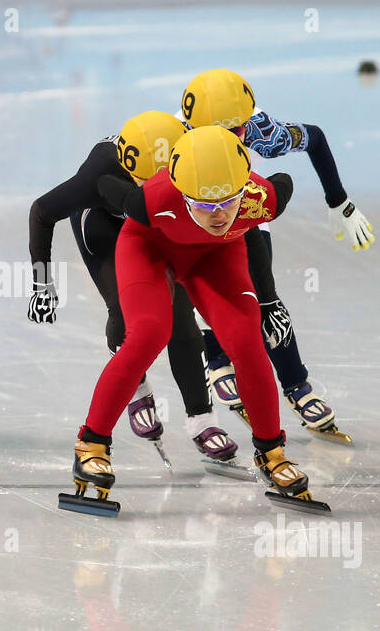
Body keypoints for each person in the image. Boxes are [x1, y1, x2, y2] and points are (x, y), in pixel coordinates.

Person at [66, 125, 319, 515]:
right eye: (202, 205)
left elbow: (283, 181)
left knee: (247, 343)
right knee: (148, 334)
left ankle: (271, 453)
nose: (218, 215)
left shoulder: (261, 199)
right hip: (149, 247)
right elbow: (103, 184)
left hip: (216, 257)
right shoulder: (149, 200)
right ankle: (92, 445)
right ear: (182, 193)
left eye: (228, 204)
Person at [28, 110, 238, 465]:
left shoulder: (191, 161)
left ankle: (203, 419)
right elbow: (41, 211)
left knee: (182, 321)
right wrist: (42, 284)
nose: (154, 189)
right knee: (126, 312)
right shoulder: (97, 177)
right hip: (105, 227)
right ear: (128, 172)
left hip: (155, 228)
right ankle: (135, 384)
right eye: (144, 182)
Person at [178, 69, 373, 442]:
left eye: (236, 132)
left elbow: (314, 138)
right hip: (194, 212)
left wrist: (340, 202)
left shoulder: (255, 126)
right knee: (198, 286)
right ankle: (217, 358)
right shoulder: (170, 137)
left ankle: (296, 382)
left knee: (263, 296)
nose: (230, 140)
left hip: (242, 208)